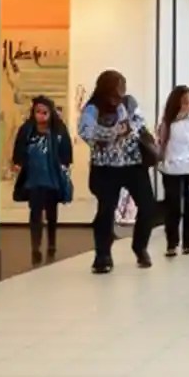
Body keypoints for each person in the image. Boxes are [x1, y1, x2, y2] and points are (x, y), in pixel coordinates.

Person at [78, 70, 155, 274]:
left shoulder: (129, 102)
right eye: (116, 88)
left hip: (133, 163)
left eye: (122, 87)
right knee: (106, 210)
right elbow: (86, 132)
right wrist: (113, 132)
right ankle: (102, 255)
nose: (119, 94)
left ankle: (140, 246)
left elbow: (139, 124)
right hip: (106, 167)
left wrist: (126, 128)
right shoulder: (93, 108)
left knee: (148, 206)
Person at [11, 96, 73, 265]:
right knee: (35, 213)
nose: (41, 116)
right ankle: (35, 246)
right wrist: (18, 162)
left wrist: (65, 164)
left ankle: (51, 243)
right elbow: (19, 147)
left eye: (45, 112)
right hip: (34, 178)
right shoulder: (27, 129)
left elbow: (66, 149)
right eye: (38, 112)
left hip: (52, 177)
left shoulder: (58, 129)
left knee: (51, 213)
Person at [157, 85, 189, 258]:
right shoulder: (168, 123)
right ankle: (172, 242)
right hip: (171, 170)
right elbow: (161, 145)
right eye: (185, 102)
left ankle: (188, 242)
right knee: (173, 207)